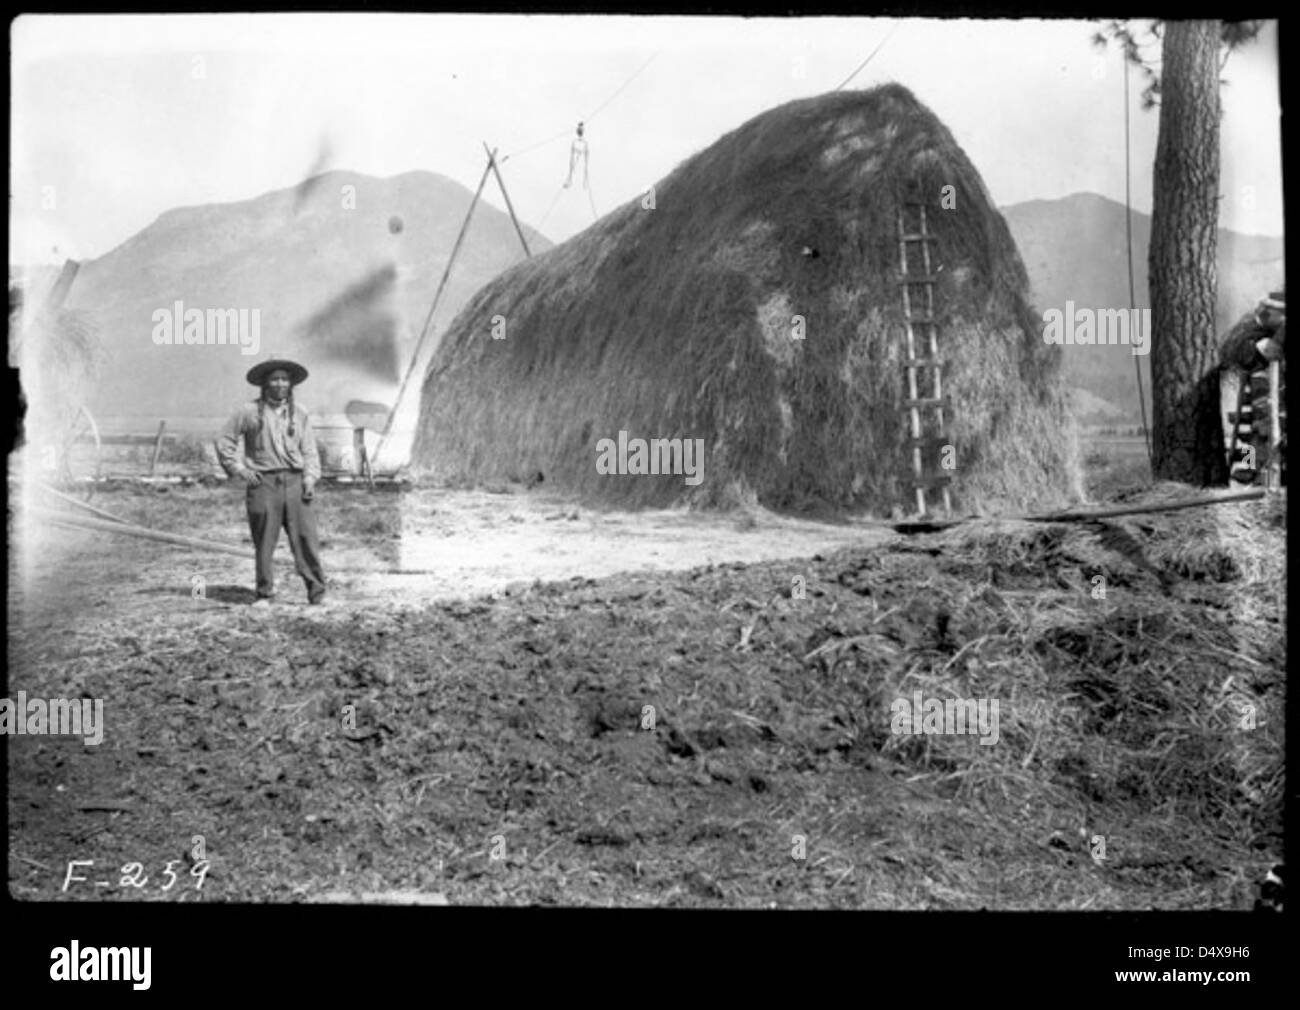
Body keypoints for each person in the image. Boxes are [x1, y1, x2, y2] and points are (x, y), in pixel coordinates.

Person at [217, 357, 327, 606]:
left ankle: (316, 592)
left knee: (306, 539)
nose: (280, 384)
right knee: (264, 541)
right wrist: (239, 469)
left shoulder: (300, 413)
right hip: (263, 483)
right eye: (274, 379)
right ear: (265, 384)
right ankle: (264, 592)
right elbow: (224, 441)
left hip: (296, 481)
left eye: (284, 379)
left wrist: (310, 478)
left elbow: (309, 449)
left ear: (291, 384)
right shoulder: (248, 412)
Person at [563, 121, 589, 190]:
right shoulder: (575, 141)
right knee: (573, 169)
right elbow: (572, 153)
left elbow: (586, 154)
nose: (580, 130)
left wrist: (581, 152)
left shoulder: (584, 142)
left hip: (580, 159)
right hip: (575, 158)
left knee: (580, 169)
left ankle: (584, 184)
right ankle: (570, 182)